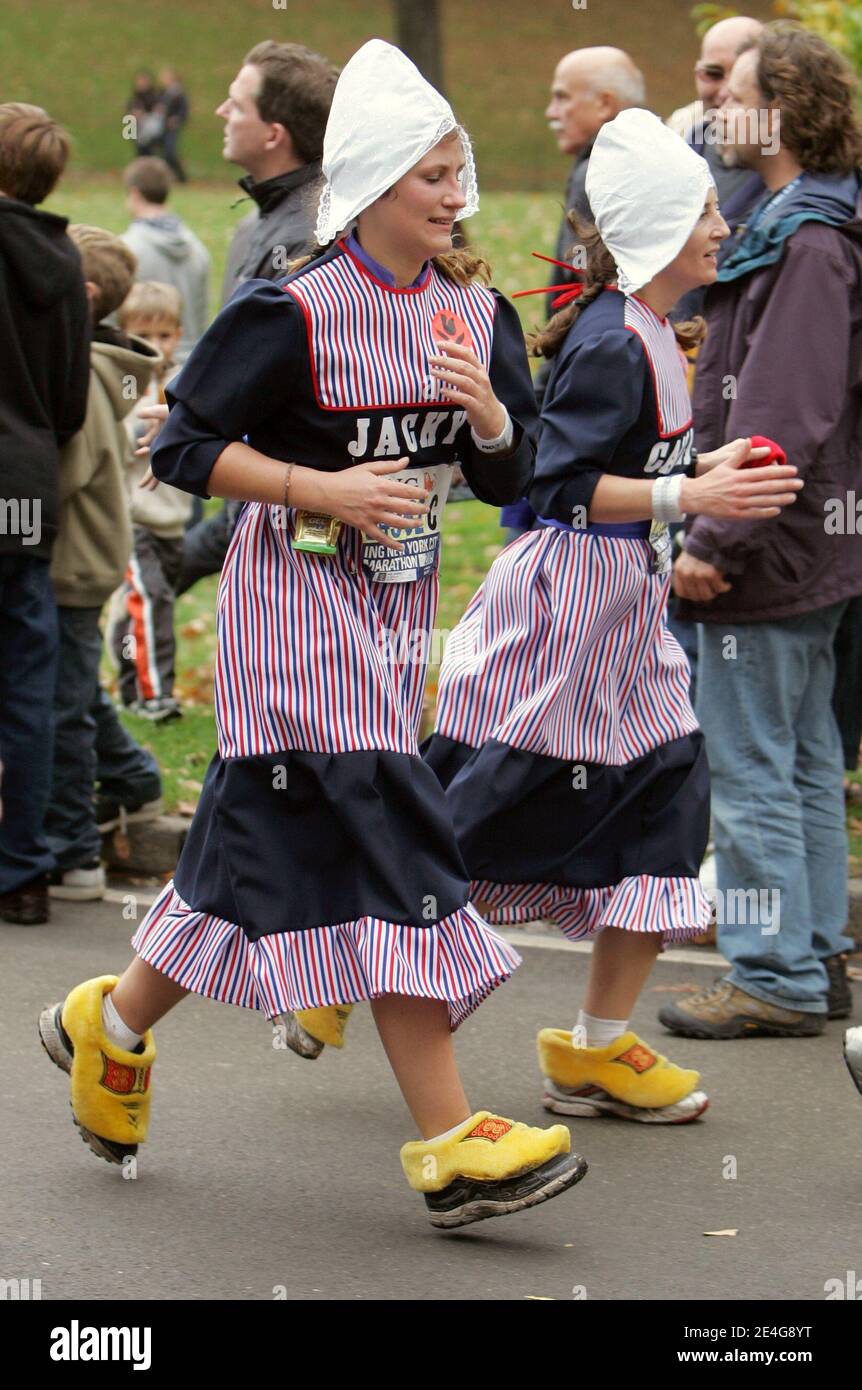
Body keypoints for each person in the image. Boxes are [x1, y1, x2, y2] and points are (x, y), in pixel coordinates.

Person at [39, 39, 587, 1231]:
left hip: (392, 627)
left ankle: (112, 1025)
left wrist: (492, 414)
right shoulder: (290, 309)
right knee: (397, 839)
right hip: (288, 617)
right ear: (377, 181)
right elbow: (180, 448)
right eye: (433, 173)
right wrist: (321, 491)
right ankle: (451, 1137)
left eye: (461, 172)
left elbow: (514, 477)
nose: (457, 193)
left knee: (261, 846)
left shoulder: (476, 312)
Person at [422, 108, 803, 1123]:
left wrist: (704, 469)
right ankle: (359, 949)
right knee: (492, 799)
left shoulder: (650, 329)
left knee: (669, 798)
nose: (723, 226)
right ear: (654, 229)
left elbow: (639, 467)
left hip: (624, 609)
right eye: (702, 214)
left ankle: (595, 1046)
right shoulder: (609, 343)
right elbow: (560, 485)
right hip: (568, 610)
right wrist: (691, 498)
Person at [658, 23, 862, 1040]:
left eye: (728, 92)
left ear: (775, 111)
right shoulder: (810, 222)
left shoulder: (810, 237)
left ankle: (770, 970)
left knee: (747, 769)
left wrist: (711, 540)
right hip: (809, 543)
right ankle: (815, 950)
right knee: (801, 756)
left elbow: (784, 409)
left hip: (767, 544)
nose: (711, 113)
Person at [175, 40, 339, 596]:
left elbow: (291, 389)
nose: (221, 113)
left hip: (295, 509)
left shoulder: (304, 233)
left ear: (274, 134)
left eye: (236, 104)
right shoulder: (274, 217)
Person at [45, 227, 163, 903]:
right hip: (83, 559)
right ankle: (133, 780)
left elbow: (63, 473)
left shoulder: (88, 378)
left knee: (64, 701)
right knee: (75, 688)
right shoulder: (90, 365)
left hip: (75, 562)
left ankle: (74, 849)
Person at [0, 103, 90, 927]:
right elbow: (69, 397)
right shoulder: (62, 257)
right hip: (26, 483)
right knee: (28, 683)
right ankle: (24, 870)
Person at [501, 47, 644, 542]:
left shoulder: (600, 170)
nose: (550, 112)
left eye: (562, 98)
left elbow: (574, 293)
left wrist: (536, 404)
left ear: (605, 103)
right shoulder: (636, 162)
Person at [112, 281, 191, 721]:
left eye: (163, 335)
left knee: (138, 607)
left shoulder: (186, 379)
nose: (155, 345)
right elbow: (123, 433)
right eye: (143, 336)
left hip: (172, 520)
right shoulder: (128, 382)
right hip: (133, 518)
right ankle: (155, 695)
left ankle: (125, 672)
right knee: (152, 598)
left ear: (178, 335)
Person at [121, 157, 209, 362]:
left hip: (143, 361)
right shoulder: (198, 249)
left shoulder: (126, 250)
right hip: (190, 366)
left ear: (134, 193)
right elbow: (202, 316)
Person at [157, 67, 189, 183]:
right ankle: (167, 176)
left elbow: (184, 110)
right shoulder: (163, 92)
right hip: (161, 127)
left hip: (172, 128)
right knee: (162, 152)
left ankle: (180, 177)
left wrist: (177, 119)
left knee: (169, 152)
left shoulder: (178, 93)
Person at [127, 70, 163, 158]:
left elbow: (158, 111)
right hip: (138, 128)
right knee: (141, 150)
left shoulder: (154, 95)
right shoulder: (135, 96)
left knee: (149, 149)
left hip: (151, 128)